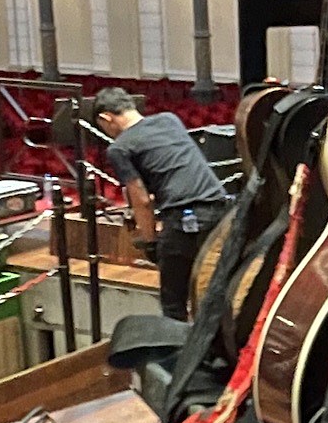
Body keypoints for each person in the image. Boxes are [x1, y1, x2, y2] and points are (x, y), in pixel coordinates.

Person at [92, 87, 228, 320]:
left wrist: (150, 243)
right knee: (217, 295)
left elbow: (142, 200)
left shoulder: (120, 148)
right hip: (220, 213)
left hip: (182, 223)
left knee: (174, 304)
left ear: (107, 118)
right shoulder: (169, 120)